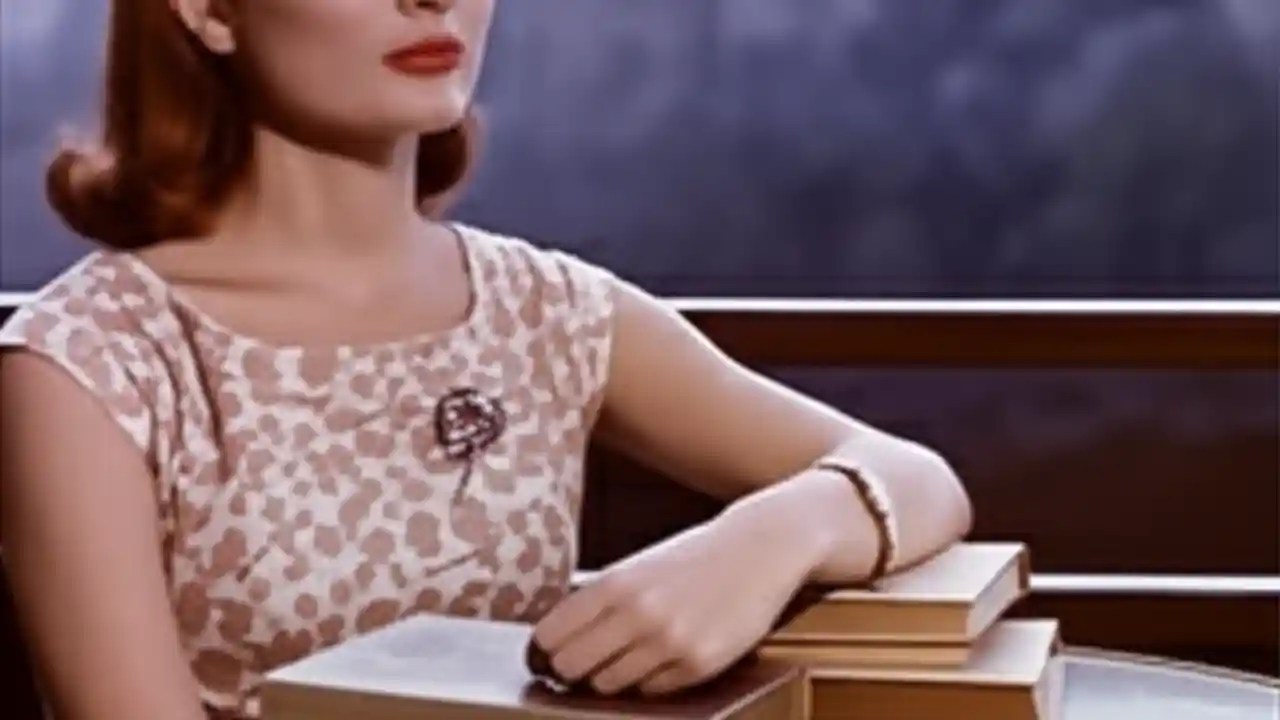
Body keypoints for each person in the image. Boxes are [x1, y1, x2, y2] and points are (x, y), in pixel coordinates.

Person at [0, 2, 973, 718]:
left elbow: (916, 482)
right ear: (209, 10)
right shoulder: (92, 362)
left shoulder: (545, 313)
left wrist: (769, 537)